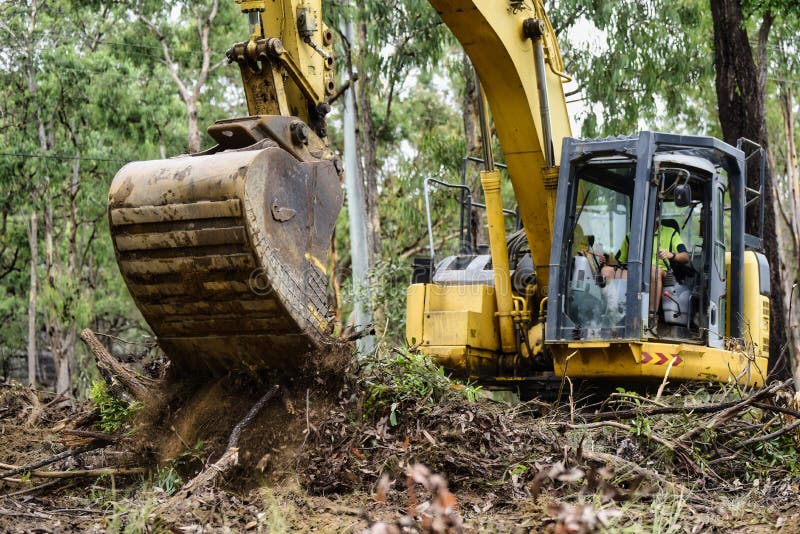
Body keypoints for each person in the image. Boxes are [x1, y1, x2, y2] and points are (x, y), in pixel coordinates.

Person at [599, 205, 690, 324]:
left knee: (652, 271)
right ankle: (612, 316)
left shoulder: (670, 233)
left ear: (657, 213)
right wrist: (607, 260)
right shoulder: (631, 235)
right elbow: (618, 262)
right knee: (606, 271)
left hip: (658, 271)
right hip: (635, 272)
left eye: (651, 211)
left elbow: (685, 257)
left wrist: (671, 255)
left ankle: (651, 319)